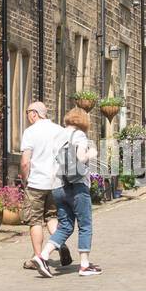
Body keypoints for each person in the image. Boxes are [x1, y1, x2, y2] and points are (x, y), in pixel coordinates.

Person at [40, 108, 101, 276]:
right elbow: (81, 157)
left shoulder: (57, 136)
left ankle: (43, 256)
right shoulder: (79, 135)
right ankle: (84, 265)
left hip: (58, 186)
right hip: (77, 186)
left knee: (65, 226)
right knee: (85, 225)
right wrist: (92, 153)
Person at [20, 101, 69, 277]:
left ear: (34, 114)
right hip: (56, 182)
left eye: (28, 113)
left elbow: (26, 162)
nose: (27, 117)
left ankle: (39, 258)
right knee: (52, 217)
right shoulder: (59, 131)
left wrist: (25, 180)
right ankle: (60, 244)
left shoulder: (30, 132)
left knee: (35, 221)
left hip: (36, 183)